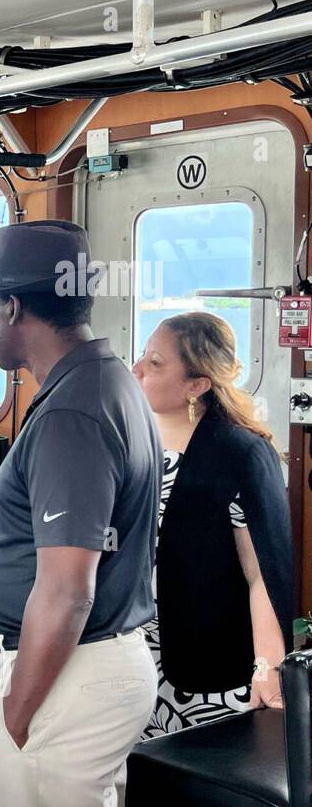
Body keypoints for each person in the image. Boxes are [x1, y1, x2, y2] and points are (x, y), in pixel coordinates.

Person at [0, 220, 160, 807]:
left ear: (13, 308)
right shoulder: (104, 381)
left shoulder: (73, 412)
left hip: (65, 676)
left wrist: (17, 711)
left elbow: (68, 589)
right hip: (83, 668)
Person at [132, 312, 292, 737]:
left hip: (204, 669)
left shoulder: (240, 454)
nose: (137, 369)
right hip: (129, 660)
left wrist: (268, 668)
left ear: (197, 384)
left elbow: (263, 575)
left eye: (155, 362)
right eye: (142, 356)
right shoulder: (130, 447)